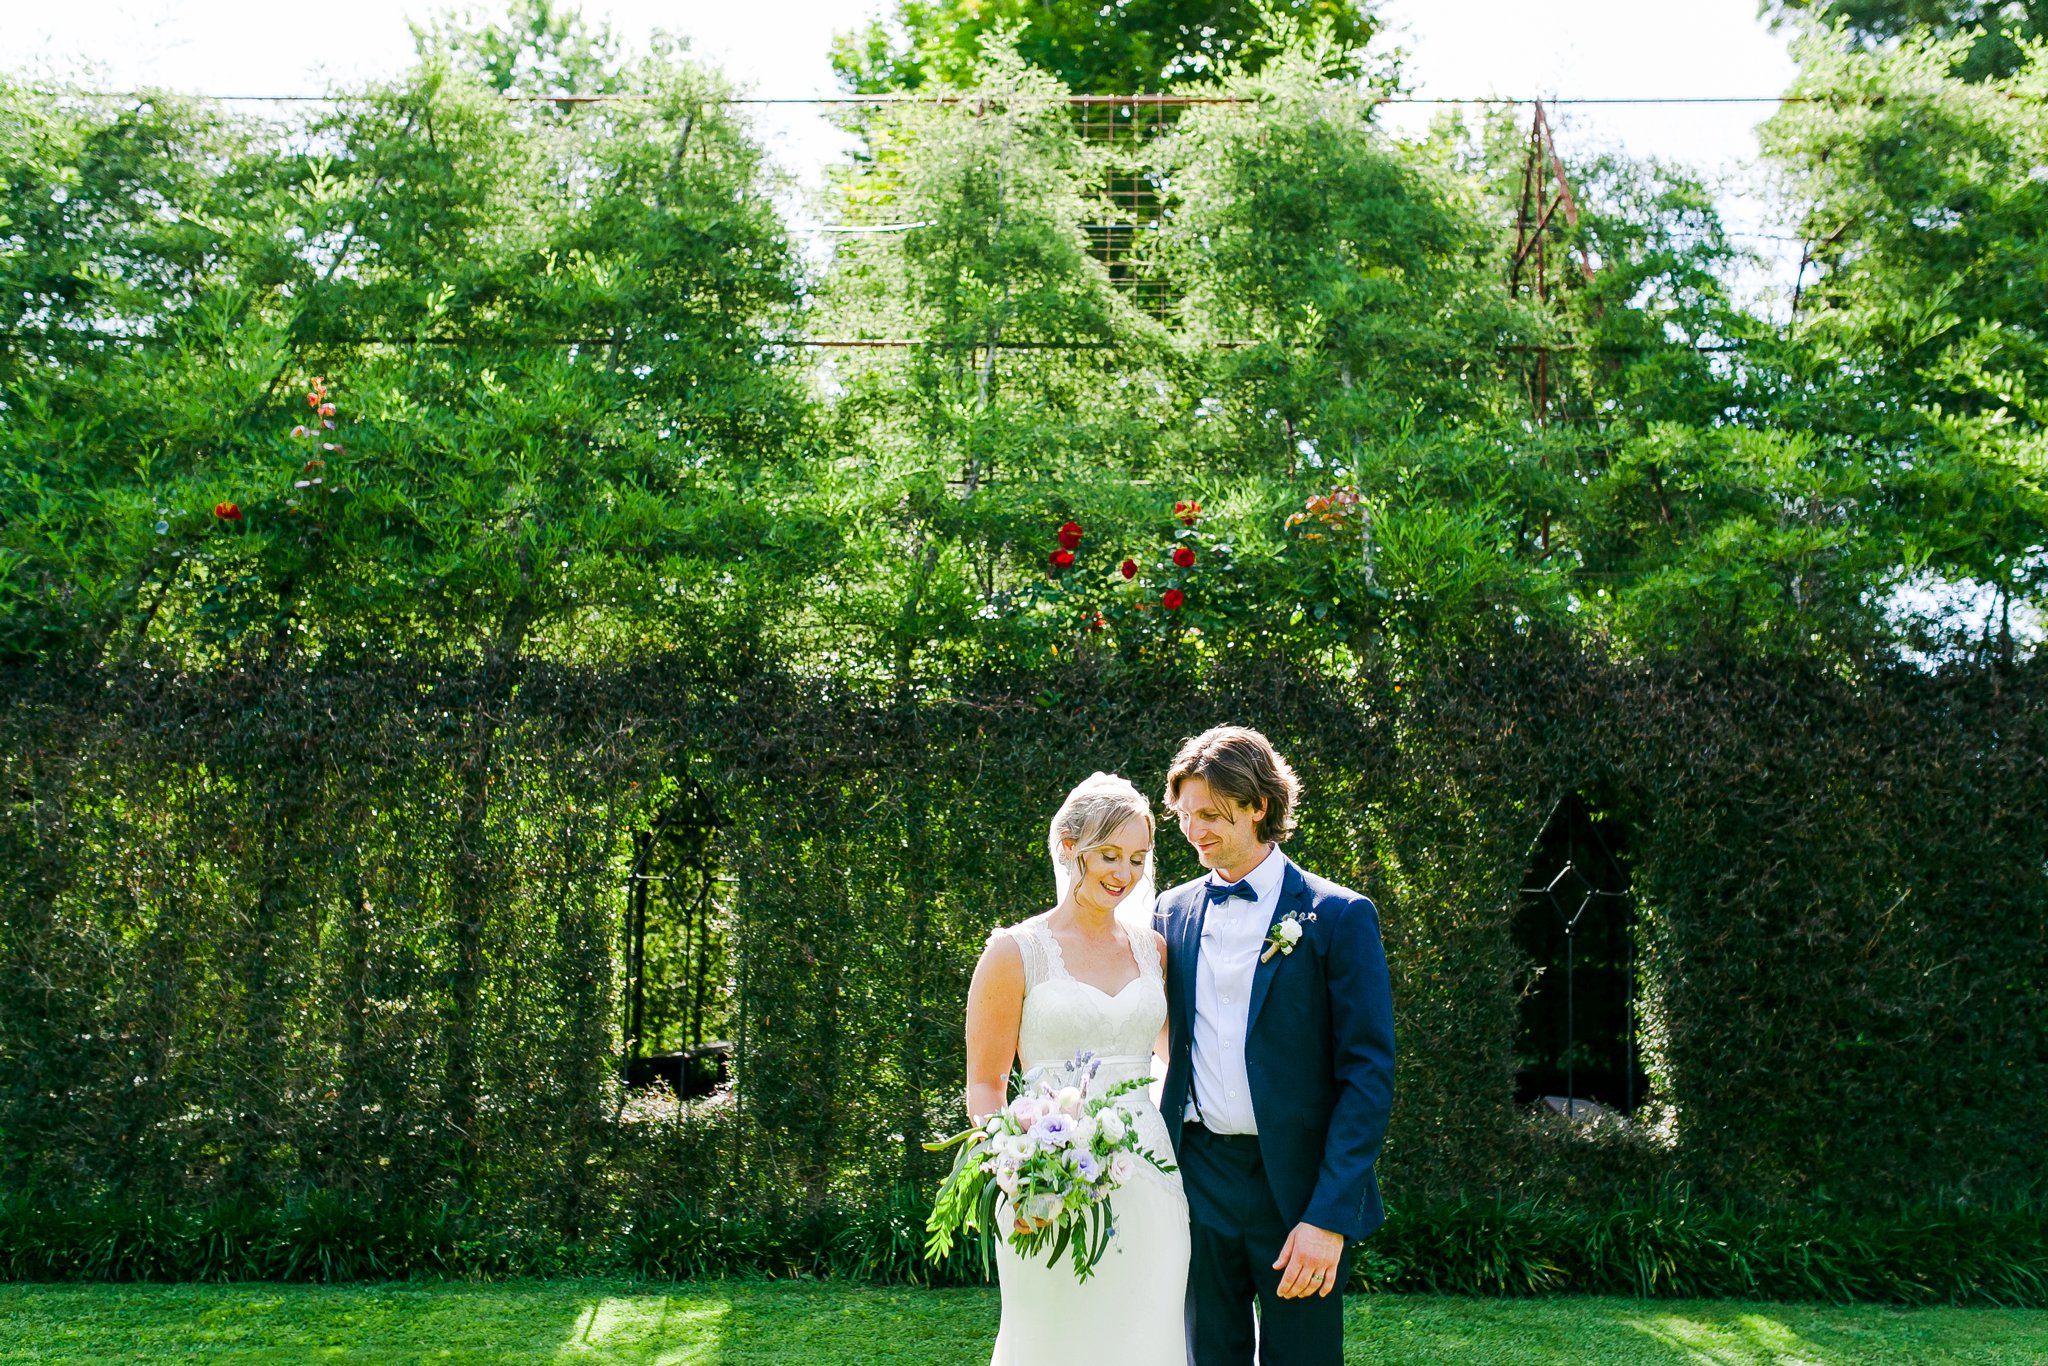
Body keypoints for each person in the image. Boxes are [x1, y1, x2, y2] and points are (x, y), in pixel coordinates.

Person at [1156, 726, 1396, 1366]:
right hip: (1196, 1174)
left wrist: (1329, 1216)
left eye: (1210, 814)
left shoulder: (1340, 916)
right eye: (1184, 816)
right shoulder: (1168, 913)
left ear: (1258, 805)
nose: (1194, 832)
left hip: (1297, 1187)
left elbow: (1368, 1076)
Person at [963, 772, 1188, 1365]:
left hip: (1151, 1176)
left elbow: (1178, 1059)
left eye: (1138, 858)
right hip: (1047, 1181)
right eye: (1109, 855)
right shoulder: (1014, 952)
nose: (1125, 874)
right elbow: (985, 1084)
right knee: (1053, 1336)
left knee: (1150, 1330)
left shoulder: (1154, 949)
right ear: (1068, 847)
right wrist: (1018, 1171)